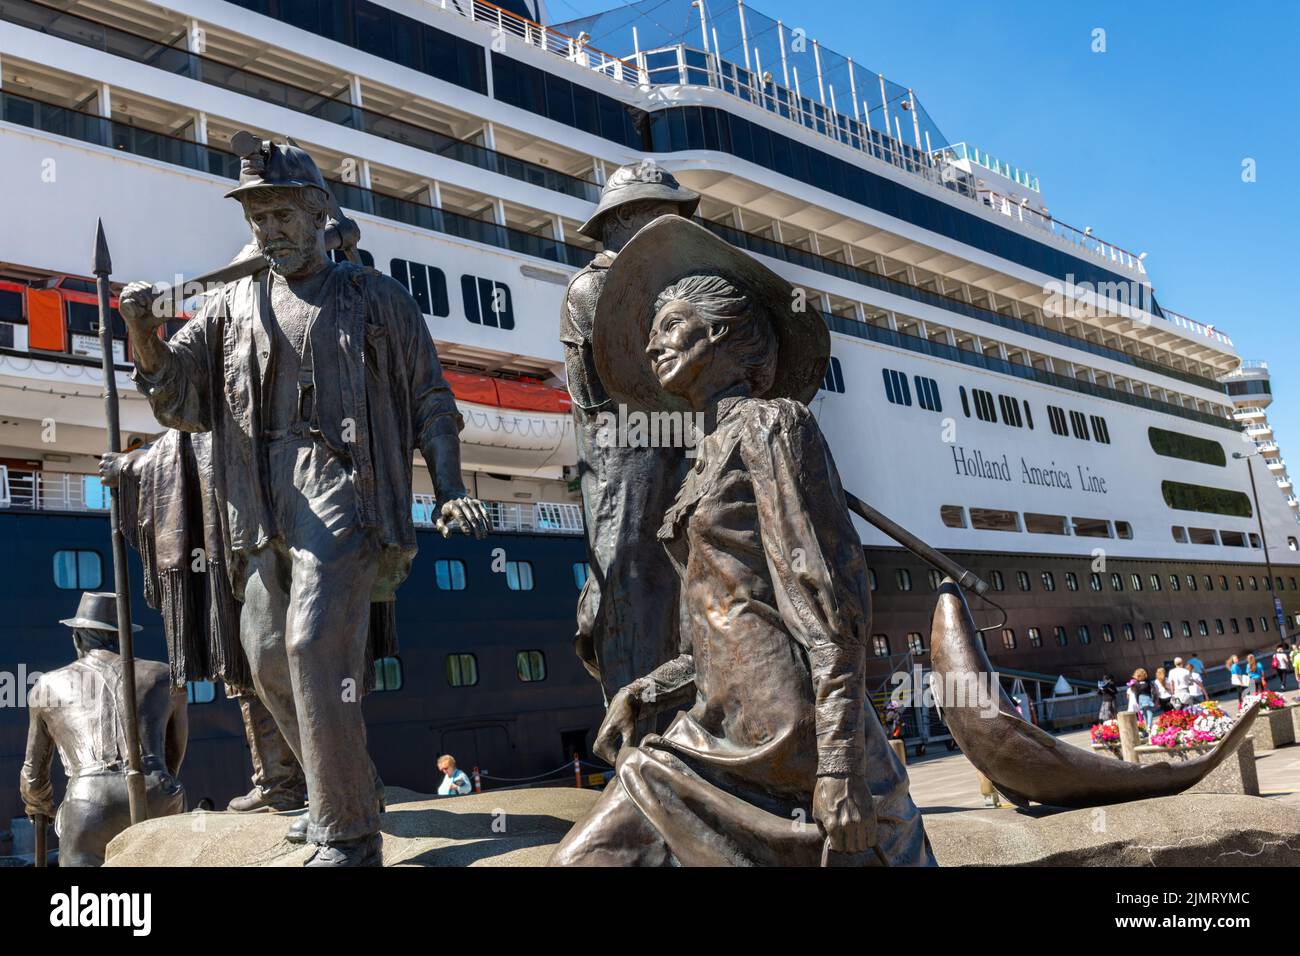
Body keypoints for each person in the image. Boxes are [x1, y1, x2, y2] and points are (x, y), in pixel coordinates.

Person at [118, 134, 490, 866]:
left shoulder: (377, 298)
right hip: (256, 500)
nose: (272, 231)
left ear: (321, 212)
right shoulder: (229, 305)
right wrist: (142, 334)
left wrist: (448, 488)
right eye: (260, 218)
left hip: (348, 491)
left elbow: (431, 400)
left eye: (285, 214)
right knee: (263, 656)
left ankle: (349, 835)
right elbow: (180, 403)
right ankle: (341, 790)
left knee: (312, 644)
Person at [552, 216, 933, 866]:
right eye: (650, 334)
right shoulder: (700, 461)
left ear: (724, 332)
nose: (653, 345)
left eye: (671, 325)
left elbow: (829, 603)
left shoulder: (772, 425)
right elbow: (712, 639)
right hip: (716, 726)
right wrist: (640, 693)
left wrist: (840, 769)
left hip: (787, 736)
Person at [101, 433, 308, 815]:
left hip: (255, 549)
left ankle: (298, 782)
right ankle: (283, 781)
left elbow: (204, 446)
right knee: (254, 669)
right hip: (270, 543)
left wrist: (133, 466)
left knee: (263, 665)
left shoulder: (230, 397)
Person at [559, 160, 699, 715]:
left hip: (672, 448)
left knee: (687, 587)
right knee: (632, 589)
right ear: (622, 222)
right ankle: (636, 734)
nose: (674, 230)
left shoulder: (668, 288)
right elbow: (628, 388)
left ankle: (686, 728)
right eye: (661, 218)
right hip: (626, 460)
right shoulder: (595, 287)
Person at [20, 592, 188, 866]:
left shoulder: (47, 687)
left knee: (86, 904)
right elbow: (173, 757)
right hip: (156, 790)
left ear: (77, 637)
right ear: (124, 637)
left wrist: (41, 807)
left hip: (88, 802)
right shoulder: (165, 676)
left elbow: (33, 778)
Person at [1130, 668, 1158, 735]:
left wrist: (1137, 702)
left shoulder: (1136, 684)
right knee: (1150, 713)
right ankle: (1149, 727)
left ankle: (1146, 728)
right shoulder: (1148, 682)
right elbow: (1154, 691)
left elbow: (1136, 694)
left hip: (1140, 699)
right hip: (1147, 698)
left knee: (1144, 714)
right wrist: (1154, 699)